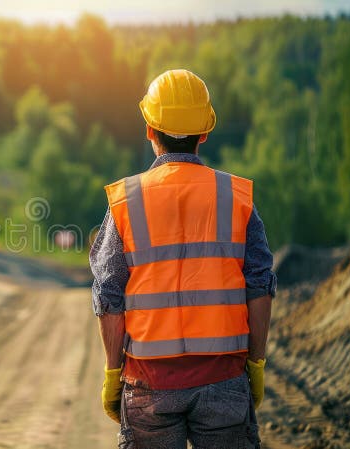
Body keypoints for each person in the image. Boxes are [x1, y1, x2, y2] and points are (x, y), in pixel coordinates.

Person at [90, 69, 276, 449]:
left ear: (149, 129)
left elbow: (109, 296)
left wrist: (113, 371)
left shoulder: (127, 201)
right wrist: (255, 364)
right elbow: (259, 286)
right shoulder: (235, 197)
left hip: (148, 385)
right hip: (224, 380)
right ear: (204, 133)